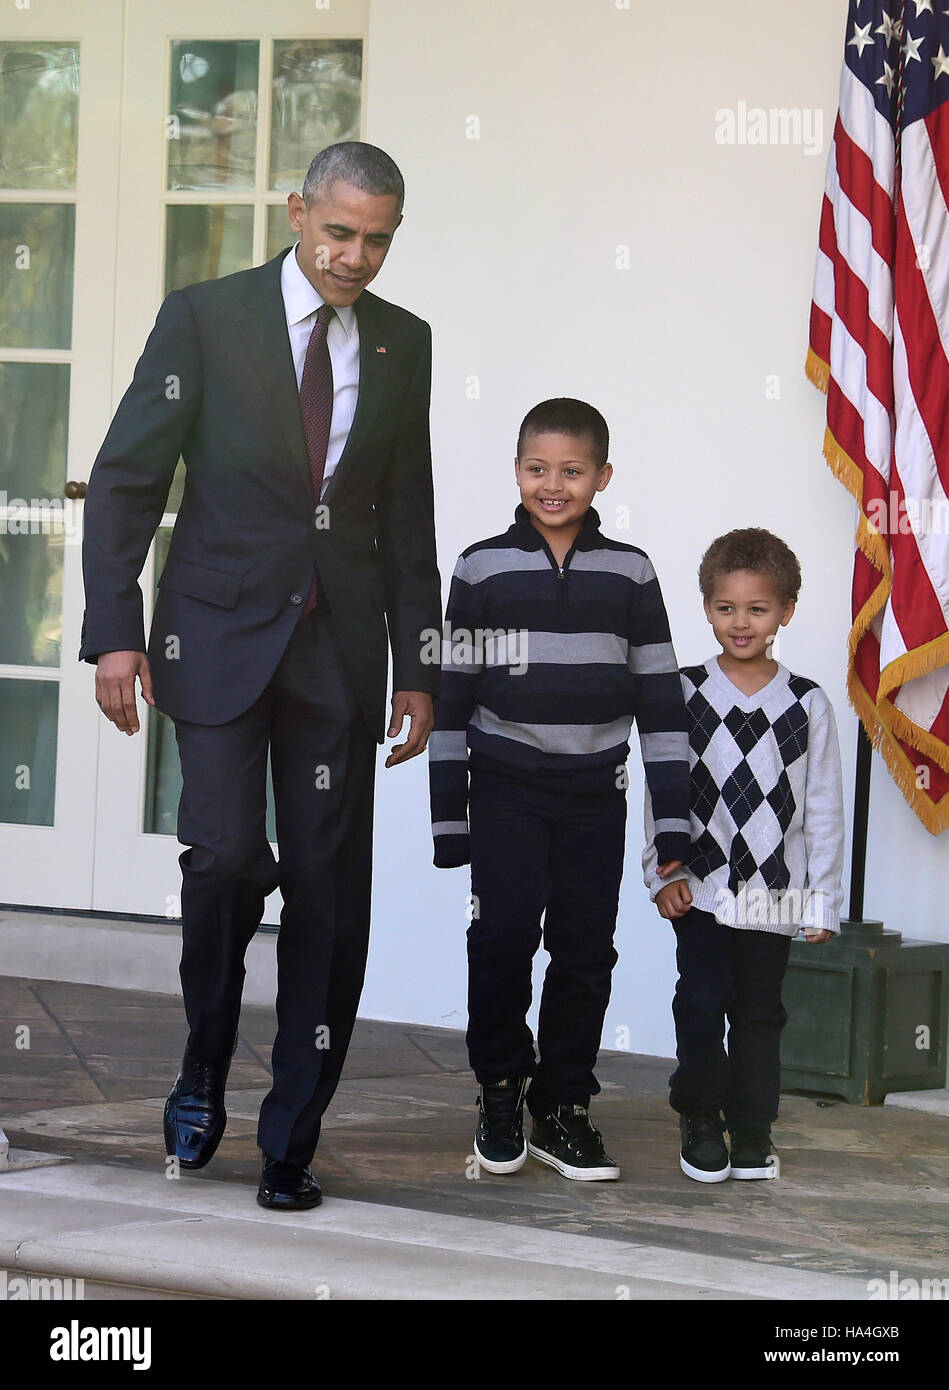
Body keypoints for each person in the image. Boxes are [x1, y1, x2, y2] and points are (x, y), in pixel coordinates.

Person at [80, 141, 441, 1210]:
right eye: (339, 233)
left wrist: (419, 666)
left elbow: (406, 511)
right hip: (217, 635)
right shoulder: (205, 319)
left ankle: (293, 1129)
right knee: (228, 856)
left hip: (340, 651)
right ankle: (202, 1061)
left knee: (331, 888)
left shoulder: (402, 343)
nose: (355, 258)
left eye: (377, 240)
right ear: (297, 214)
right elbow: (126, 479)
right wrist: (115, 630)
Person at [429, 398, 690, 1181]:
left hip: (593, 794)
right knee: (501, 938)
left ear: (601, 477)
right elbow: (451, 696)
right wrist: (450, 820)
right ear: (515, 472)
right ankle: (501, 1089)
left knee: (583, 950)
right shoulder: (480, 567)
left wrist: (671, 830)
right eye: (537, 469)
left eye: (572, 471)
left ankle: (563, 1103)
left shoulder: (630, 571)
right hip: (504, 788)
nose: (553, 485)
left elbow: (660, 702)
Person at [643, 528, 844, 1183]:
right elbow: (660, 789)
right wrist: (661, 872)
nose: (740, 621)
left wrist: (824, 899)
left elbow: (822, 810)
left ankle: (753, 1129)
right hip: (699, 887)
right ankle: (700, 1115)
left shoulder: (805, 702)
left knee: (759, 1014)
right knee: (699, 1001)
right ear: (706, 607)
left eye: (757, 608)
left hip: (775, 892)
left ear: (785, 610)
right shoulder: (684, 692)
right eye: (726, 607)